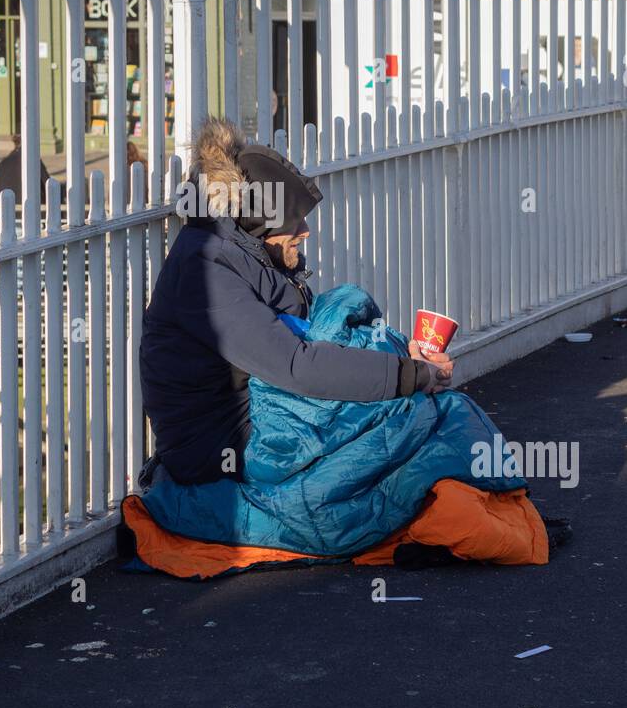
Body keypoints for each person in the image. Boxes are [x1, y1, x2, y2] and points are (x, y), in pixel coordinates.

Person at [139, 117, 451, 489]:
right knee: (403, 421)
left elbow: (319, 334)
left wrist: (405, 355)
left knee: (413, 411)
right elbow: (296, 365)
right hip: (218, 444)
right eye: (294, 220)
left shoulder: (249, 254)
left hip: (257, 414)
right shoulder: (205, 270)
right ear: (260, 221)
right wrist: (411, 376)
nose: (305, 230)